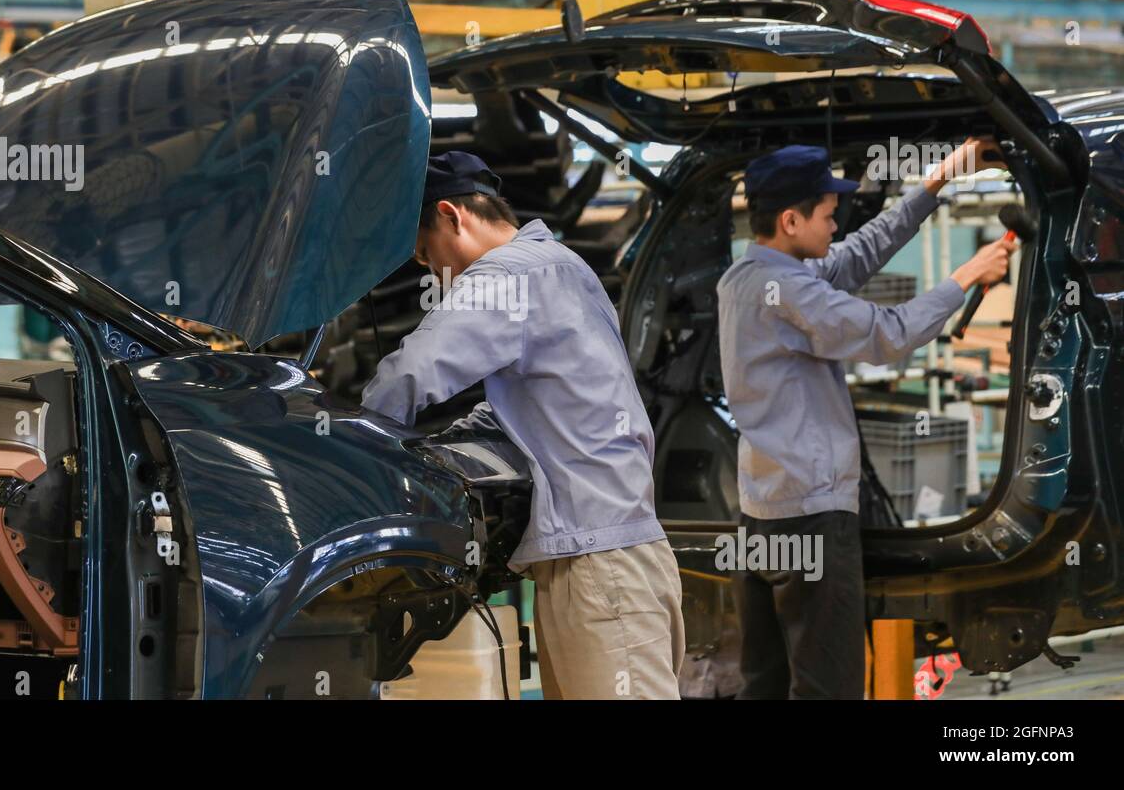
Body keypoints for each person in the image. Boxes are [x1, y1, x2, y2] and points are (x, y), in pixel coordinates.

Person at [362, 151, 685, 699]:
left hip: (599, 566)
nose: (433, 273)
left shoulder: (506, 276)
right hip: (602, 556)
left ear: (450, 216)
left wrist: (357, 451)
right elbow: (542, 400)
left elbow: (409, 376)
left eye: (425, 254)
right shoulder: (560, 265)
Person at [716, 140, 1015, 699]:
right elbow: (889, 334)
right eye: (828, 216)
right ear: (790, 220)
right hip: (811, 516)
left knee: (764, 680)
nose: (835, 227)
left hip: (759, 513)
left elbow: (854, 256)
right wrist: (966, 276)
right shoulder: (790, 292)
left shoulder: (748, 276)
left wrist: (935, 184)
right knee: (827, 685)